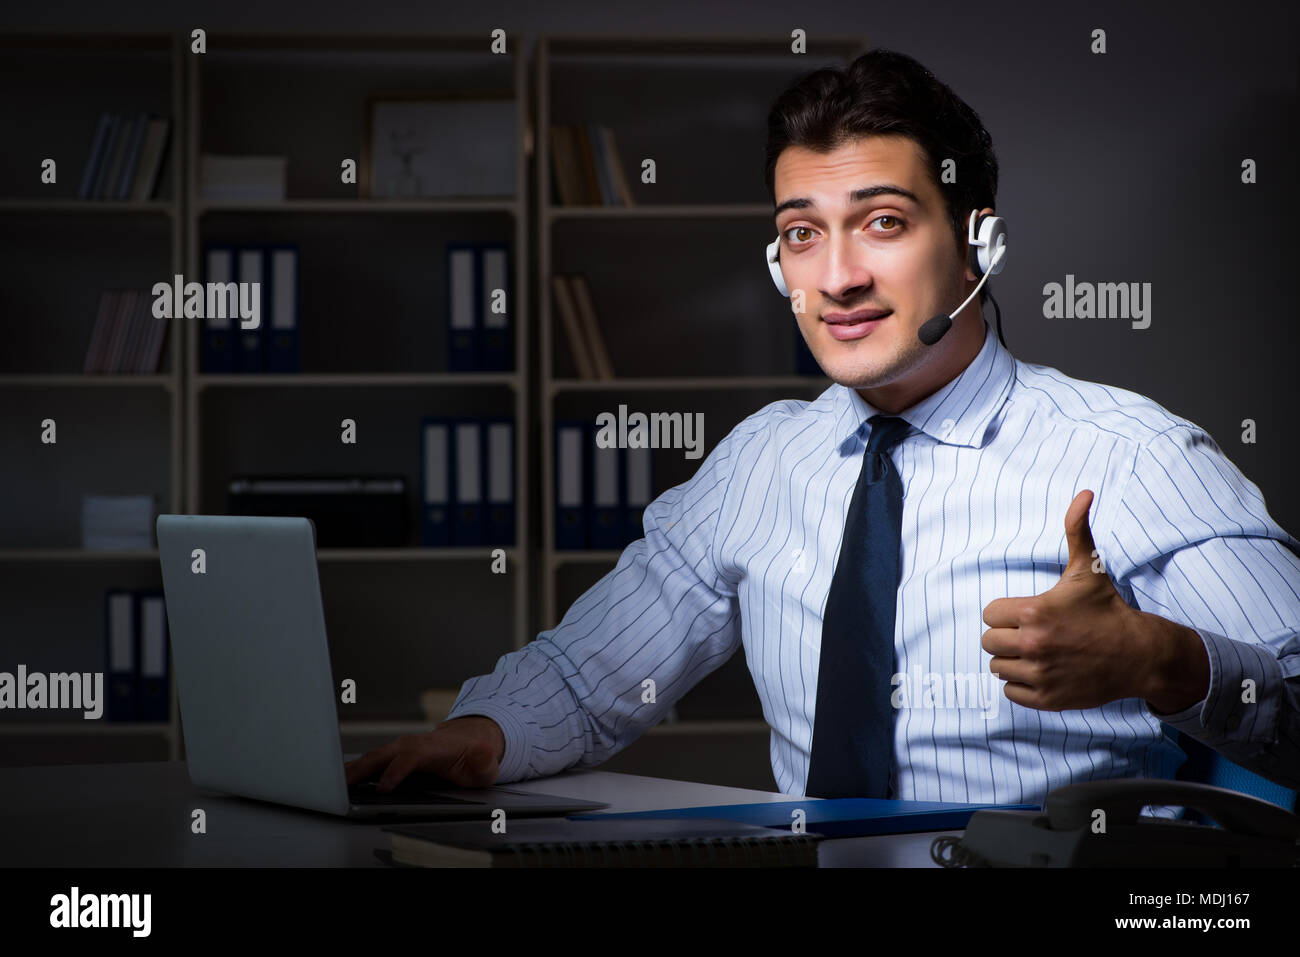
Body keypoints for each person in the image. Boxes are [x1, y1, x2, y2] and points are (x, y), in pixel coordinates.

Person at [346, 49, 1300, 811]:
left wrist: (1164, 661)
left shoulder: (1131, 457)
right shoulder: (763, 461)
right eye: (802, 233)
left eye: (883, 222)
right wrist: (476, 735)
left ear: (981, 243)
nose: (836, 277)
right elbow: (592, 671)